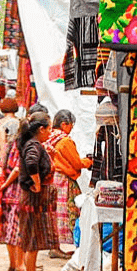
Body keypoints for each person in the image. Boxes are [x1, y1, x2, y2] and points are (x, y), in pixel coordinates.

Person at [17, 112, 59, 271]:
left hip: (36, 199)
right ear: (41, 129)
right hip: (33, 198)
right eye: (49, 128)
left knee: (36, 239)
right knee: (32, 240)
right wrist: (37, 183)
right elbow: (31, 163)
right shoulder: (33, 146)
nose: (50, 132)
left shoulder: (35, 144)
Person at [46, 109, 91, 259]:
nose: (71, 128)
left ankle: (54, 246)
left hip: (52, 179)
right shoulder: (65, 141)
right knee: (69, 212)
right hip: (63, 180)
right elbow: (76, 163)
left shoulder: (49, 137)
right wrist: (89, 161)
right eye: (71, 125)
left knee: (55, 214)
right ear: (64, 124)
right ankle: (68, 246)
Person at [0, 98, 24, 271]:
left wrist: (0, 173)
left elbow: (2, 149)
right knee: (19, 226)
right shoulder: (20, 125)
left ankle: (12, 264)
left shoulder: (2, 124)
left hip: (7, 182)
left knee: (9, 225)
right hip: (17, 185)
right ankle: (19, 265)